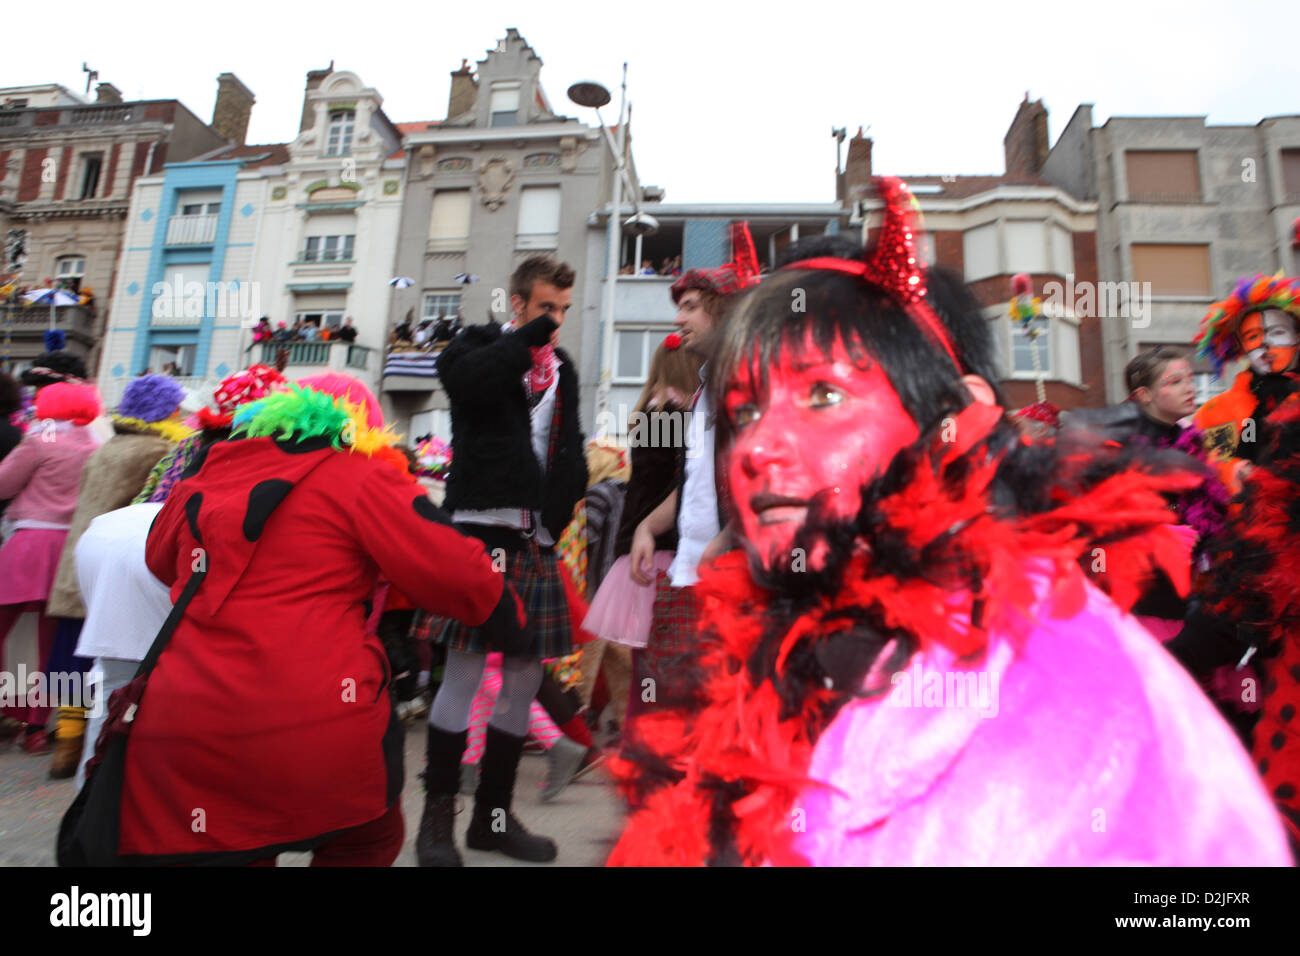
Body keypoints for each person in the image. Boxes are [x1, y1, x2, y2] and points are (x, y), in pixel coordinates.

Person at [608, 176, 1293, 866]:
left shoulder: (1072, 691)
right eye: (746, 410)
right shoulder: (770, 655)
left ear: (951, 418)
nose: (756, 446)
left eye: (822, 393)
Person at [109, 373, 525, 865]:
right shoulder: (359, 474)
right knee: (365, 839)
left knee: (227, 844)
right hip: (316, 718)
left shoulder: (208, 470)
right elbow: (463, 575)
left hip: (185, 718)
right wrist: (508, 621)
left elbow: (159, 561)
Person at [411, 255, 588, 867]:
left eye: (563, 310)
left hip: (534, 542)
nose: (556, 321)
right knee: (462, 673)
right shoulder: (478, 344)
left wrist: (558, 514)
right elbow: (468, 386)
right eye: (546, 308)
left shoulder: (562, 369)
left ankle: (492, 819)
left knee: (518, 681)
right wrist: (527, 340)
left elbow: (570, 448)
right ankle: (435, 825)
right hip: (478, 535)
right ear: (518, 304)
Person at [625, 225, 759, 718]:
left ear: (722, 312)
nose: (677, 318)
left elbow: (766, 489)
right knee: (667, 725)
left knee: (721, 729)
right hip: (687, 577)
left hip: (731, 587)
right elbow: (695, 487)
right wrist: (648, 525)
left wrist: (721, 550)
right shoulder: (705, 389)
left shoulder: (749, 389)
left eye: (690, 307)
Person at [43, 374, 191, 778]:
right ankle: (91, 746)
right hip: (119, 564)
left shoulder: (106, 447)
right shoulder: (162, 449)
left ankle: (67, 740)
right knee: (109, 664)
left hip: (79, 557)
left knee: (70, 653)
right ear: (169, 411)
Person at [584, 339, 703, 737]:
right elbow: (681, 482)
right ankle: (654, 741)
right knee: (666, 660)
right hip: (664, 543)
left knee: (645, 660)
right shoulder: (678, 413)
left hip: (642, 542)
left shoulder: (651, 413)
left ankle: (641, 740)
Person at [0, 383, 100, 755]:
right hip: (71, 549)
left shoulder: (39, 437)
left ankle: (6, 707)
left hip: (28, 544)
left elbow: (4, 483)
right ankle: (37, 729)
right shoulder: (93, 444)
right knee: (51, 645)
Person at [1193, 274, 1300, 493]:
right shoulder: (1215, 412)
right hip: (1250, 520)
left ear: (1297, 337)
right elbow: (1203, 470)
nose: (1266, 344)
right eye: (1253, 336)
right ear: (1242, 347)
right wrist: (1235, 469)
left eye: (1278, 332)